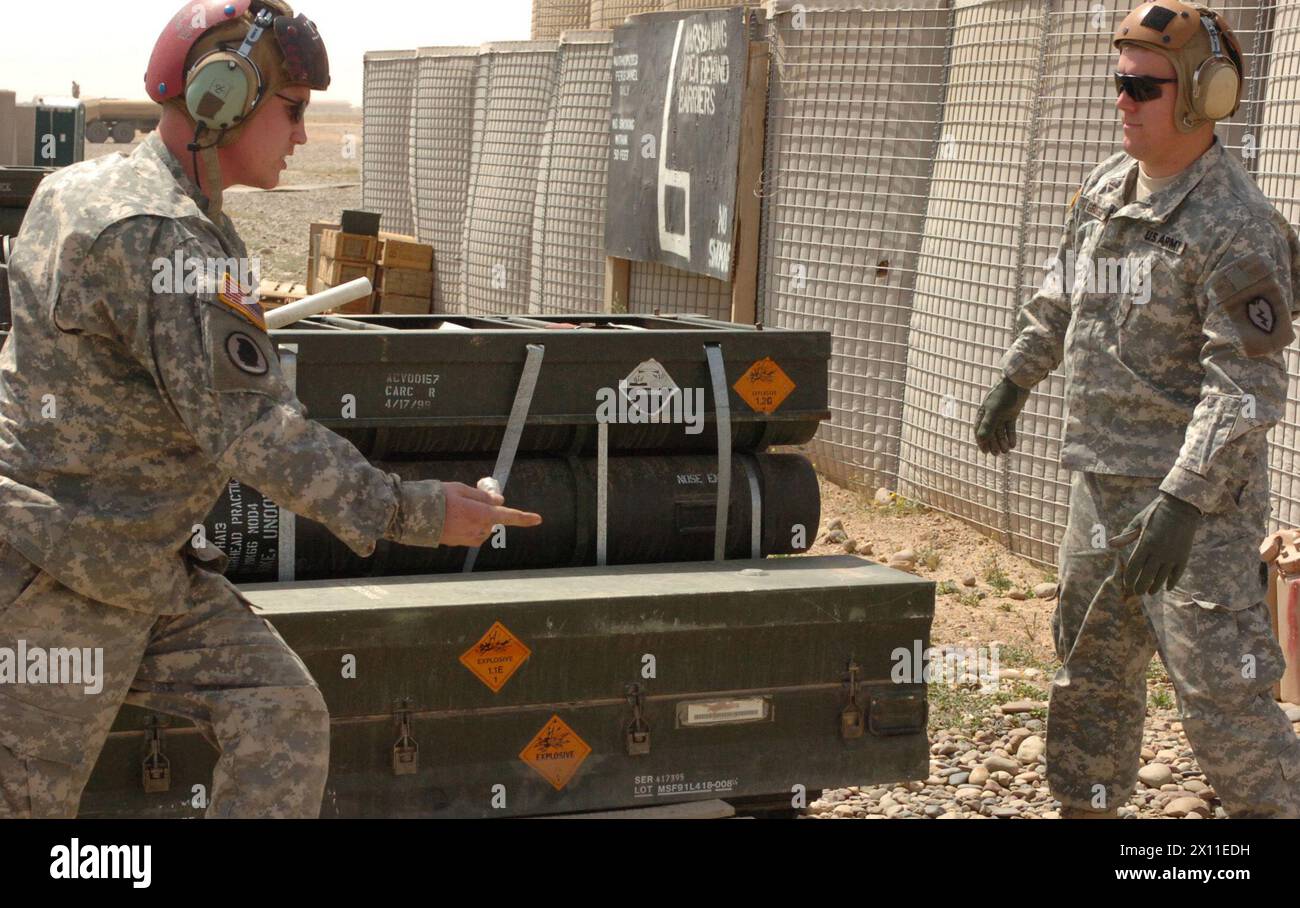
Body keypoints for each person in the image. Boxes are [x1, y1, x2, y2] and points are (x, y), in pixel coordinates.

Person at [0, 0, 540, 819]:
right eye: (291, 110)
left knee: (277, 713)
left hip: (134, 562)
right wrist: (419, 511)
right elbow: (257, 435)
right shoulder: (168, 238)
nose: (302, 135)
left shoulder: (80, 188)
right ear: (222, 98)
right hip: (64, 577)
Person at [974, 0, 1300, 818]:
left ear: (1203, 96)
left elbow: (1246, 386)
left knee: (1223, 698)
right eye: (1117, 82)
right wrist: (1017, 376)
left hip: (1198, 513)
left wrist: (1183, 503)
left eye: (1143, 87)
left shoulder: (1237, 225)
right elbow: (1061, 294)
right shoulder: (1104, 188)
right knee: (1089, 676)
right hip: (1101, 488)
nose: (1122, 100)